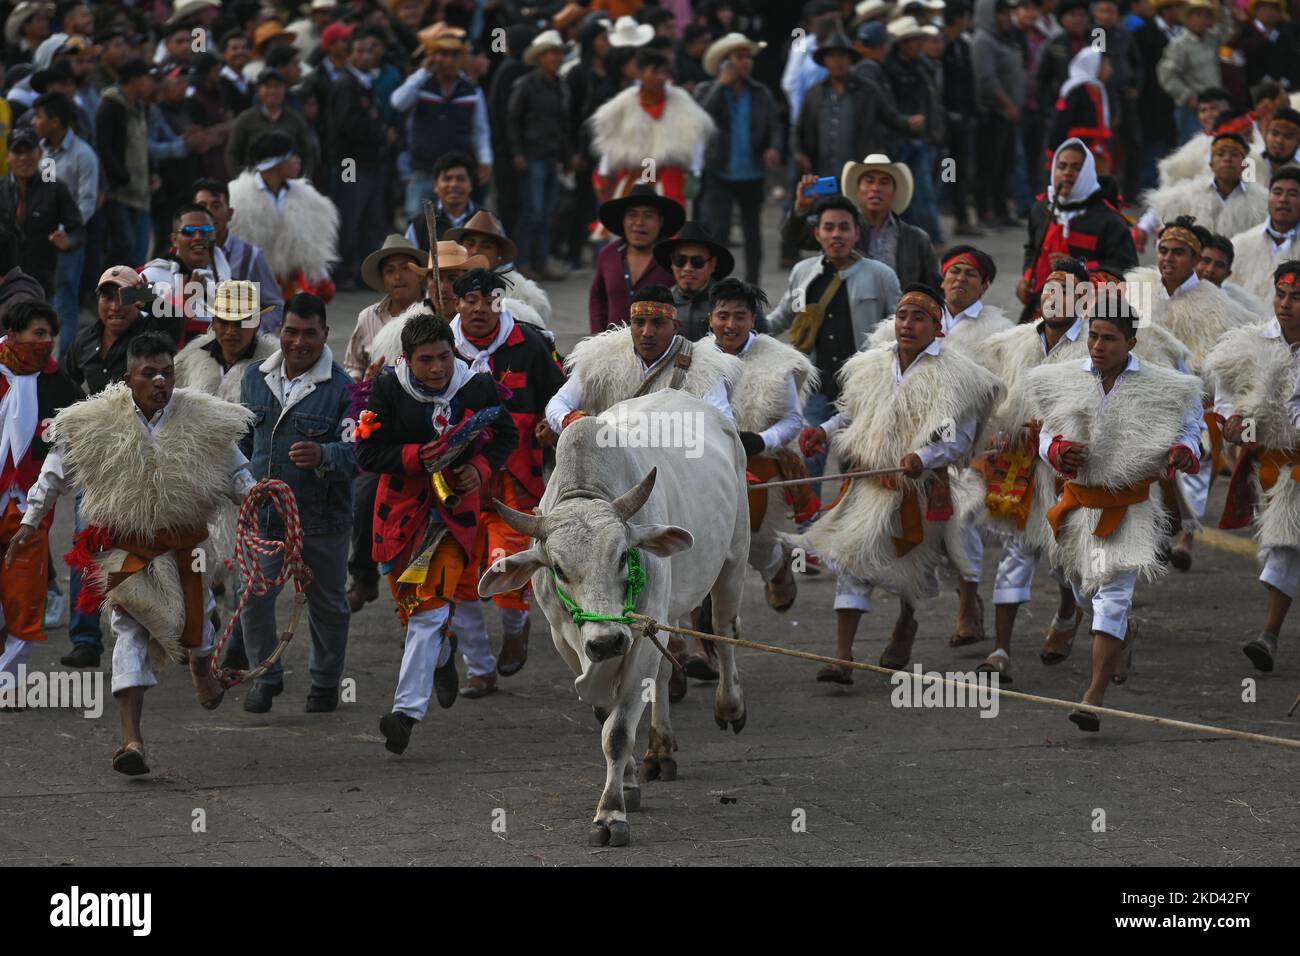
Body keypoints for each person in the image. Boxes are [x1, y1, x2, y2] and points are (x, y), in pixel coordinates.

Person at [15, 331, 256, 773]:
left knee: (198, 622)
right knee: (127, 631)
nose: (160, 381)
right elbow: (54, 469)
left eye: (167, 372)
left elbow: (235, 466)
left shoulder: (202, 416)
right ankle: (132, 742)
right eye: (150, 374)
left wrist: (257, 496)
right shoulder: (96, 419)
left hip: (186, 545)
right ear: (129, 379)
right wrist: (31, 520)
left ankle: (202, 669)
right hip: (129, 546)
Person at [798, 283, 1004, 680]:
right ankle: (843, 655)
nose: (908, 324)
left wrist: (922, 458)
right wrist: (823, 431)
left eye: (920, 318)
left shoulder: (955, 376)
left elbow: (955, 439)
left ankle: (906, 620)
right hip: (867, 485)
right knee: (852, 563)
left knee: (913, 568)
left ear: (938, 328)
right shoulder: (870, 364)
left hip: (919, 489)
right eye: (903, 316)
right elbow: (851, 413)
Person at [1026, 299, 1202, 732]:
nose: (1098, 345)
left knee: (1112, 599)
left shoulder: (1166, 386)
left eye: (1109, 338)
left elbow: (1191, 426)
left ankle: (1093, 697)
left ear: (1132, 342)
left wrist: (1185, 450)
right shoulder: (1062, 379)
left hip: (1131, 508)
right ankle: (1123, 633)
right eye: (1093, 336)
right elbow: (1046, 433)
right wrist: (1058, 452)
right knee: (1084, 592)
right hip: (1078, 505)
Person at [357, 312, 517, 754]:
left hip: (452, 517)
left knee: (427, 611)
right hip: (401, 513)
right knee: (411, 610)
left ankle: (405, 713)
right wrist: (415, 456)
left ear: (454, 351)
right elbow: (367, 451)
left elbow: (505, 436)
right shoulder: (388, 388)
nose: (437, 369)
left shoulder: (478, 386)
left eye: (445, 357)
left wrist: (480, 468)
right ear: (406, 359)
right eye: (426, 360)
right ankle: (444, 654)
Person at [447, 269, 566, 696]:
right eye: (470, 300)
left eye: (491, 300)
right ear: (455, 304)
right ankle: (478, 667)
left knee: (508, 568)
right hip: (456, 479)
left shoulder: (531, 344)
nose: (481, 309)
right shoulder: (437, 350)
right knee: (457, 576)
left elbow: (561, 396)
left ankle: (516, 628)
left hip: (516, 482)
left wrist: (551, 425)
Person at [237, 293, 355, 713]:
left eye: (309, 333)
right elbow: (240, 442)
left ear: (326, 334)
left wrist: (324, 455)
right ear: (279, 332)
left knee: (328, 605)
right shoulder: (254, 378)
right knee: (253, 596)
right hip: (265, 519)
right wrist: (242, 484)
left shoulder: (345, 389)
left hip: (323, 520)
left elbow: (358, 453)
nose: (299, 342)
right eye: (291, 331)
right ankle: (265, 676)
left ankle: (325, 684)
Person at [1124, 217, 1255, 569]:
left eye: (1178, 252)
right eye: (1163, 250)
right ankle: (1153, 536)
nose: (1168, 258)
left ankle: (1186, 535)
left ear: (1194, 258)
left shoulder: (1219, 307)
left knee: (1195, 467)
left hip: (1196, 405)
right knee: (1144, 475)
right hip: (1139, 402)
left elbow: (1235, 363)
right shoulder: (1133, 289)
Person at [767, 196, 902, 491]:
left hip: (861, 390)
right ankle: (807, 532)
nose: (836, 234)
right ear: (817, 234)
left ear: (857, 232)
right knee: (808, 460)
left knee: (856, 465)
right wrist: (746, 327)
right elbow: (784, 315)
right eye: (828, 227)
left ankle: (848, 534)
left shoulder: (881, 276)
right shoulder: (803, 272)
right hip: (814, 385)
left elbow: (898, 329)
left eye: (844, 227)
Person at [1210, 261, 1300, 672]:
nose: (1286, 304)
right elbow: (1227, 400)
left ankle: (1270, 634)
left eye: (1296, 297)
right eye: (1281, 295)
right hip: (1273, 468)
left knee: (1285, 547)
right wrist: (1234, 424)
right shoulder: (1247, 345)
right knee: (1280, 546)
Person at [707, 277, 814, 615]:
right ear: (710, 318)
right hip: (703, 465)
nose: (730, 324)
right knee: (707, 546)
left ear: (753, 320)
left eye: (740, 316)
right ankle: (703, 638)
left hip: (758, 466)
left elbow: (794, 420)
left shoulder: (778, 361)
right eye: (723, 316)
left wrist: (761, 441)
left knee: (754, 542)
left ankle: (778, 568)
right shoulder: (695, 357)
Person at [0, 301, 80, 695]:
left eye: (50, 335)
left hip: (30, 509)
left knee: (25, 596)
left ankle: (11, 684)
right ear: (12, 335)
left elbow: (86, 426)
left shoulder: (57, 382)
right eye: (37, 334)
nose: (46, 343)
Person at [695, 32, 782, 285]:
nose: (745, 61)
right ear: (725, 61)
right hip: (719, 170)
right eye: (739, 56)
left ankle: (753, 285)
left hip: (752, 171)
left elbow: (775, 126)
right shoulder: (707, 89)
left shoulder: (760, 92)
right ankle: (714, 285)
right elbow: (700, 120)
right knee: (717, 231)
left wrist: (774, 148)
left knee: (752, 232)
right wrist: (720, 85)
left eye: (747, 56)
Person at [589, 43, 715, 211]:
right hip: (635, 171)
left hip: (670, 172)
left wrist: (695, 171)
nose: (660, 78)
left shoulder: (681, 100)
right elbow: (611, 136)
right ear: (640, 74)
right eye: (654, 72)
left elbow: (695, 135)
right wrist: (604, 170)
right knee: (634, 217)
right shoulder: (623, 103)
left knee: (671, 221)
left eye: (664, 72)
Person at [785, 154, 941, 288]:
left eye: (884, 182)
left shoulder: (916, 239)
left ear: (894, 192)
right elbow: (794, 237)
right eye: (869, 181)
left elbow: (934, 288)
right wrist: (801, 207)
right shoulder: (838, 228)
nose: (875, 188)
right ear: (858, 190)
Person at [389, 27, 491, 222]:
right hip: (423, 169)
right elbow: (398, 102)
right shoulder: (422, 85)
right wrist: (423, 72)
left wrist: (485, 160)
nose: (449, 61)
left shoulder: (471, 90)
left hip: (456, 173)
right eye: (444, 55)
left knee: (453, 227)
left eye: (454, 55)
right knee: (419, 225)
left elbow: (480, 130)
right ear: (434, 57)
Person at [1018, 138, 1138, 302]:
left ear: (1088, 173)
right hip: (1044, 308)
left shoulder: (1109, 220)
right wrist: (1027, 278)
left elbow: (1127, 269)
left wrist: (1080, 267)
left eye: (1076, 168)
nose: (1067, 173)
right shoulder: (1041, 210)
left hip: (1092, 310)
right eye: (1062, 166)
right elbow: (1032, 250)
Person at [227, 131, 339, 302]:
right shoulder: (238, 198)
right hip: (249, 285)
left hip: (290, 286)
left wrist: (320, 277)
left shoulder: (307, 197)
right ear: (276, 162)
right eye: (292, 155)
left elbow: (312, 246)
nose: (298, 160)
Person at [31, 92, 96, 358]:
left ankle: (65, 365)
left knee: (65, 304)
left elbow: (87, 202)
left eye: (39, 116)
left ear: (55, 121)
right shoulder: (41, 152)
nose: (34, 122)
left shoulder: (83, 155)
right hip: (40, 240)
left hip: (68, 241)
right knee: (39, 301)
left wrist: (65, 231)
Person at [328, 28, 393, 290]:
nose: (365, 56)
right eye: (359, 51)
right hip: (351, 163)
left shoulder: (365, 83)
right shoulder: (347, 84)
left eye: (369, 50)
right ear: (350, 54)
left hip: (369, 162)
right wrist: (380, 133)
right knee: (351, 215)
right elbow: (347, 124)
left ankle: (364, 272)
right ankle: (343, 272)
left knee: (370, 218)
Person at [507, 30, 573, 283]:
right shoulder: (526, 84)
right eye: (551, 53)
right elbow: (512, 119)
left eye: (558, 53)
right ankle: (523, 262)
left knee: (547, 212)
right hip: (532, 154)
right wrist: (518, 152)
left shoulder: (559, 85)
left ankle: (541, 260)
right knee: (532, 211)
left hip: (551, 153)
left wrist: (567, 156)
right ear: (540, 57)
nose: (556, 57)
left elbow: (564, 124)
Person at [1136, 131, 1268, 252]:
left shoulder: (1261, 203)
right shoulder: (1184, 196)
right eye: (1220, 154)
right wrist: (1144, 227)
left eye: (1234, 155)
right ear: (1211, 163)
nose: (1227, 159)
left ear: (1245, 164)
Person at [0, 126, 83, 303]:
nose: (24, 157)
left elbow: (77, 229)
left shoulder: (54, 188)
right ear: (8, 156)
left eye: (29, 150)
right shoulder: (0, 190)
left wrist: (69, 242)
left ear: (39, 153)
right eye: (17, 151)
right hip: (3, 281)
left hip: (41, 282)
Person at [589, 184, 682, 334]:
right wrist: (598, 336)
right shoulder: (608, 255)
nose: (639, 222)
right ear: (623, 220)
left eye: (648, 215)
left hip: (658, 350)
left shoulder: (674, 260)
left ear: (661, 221)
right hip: (612, 349)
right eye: (632, 215)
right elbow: (597, 298)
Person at [193, 177, 283, 331]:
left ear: (229, 213)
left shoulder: (250, 256)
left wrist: (249, 331)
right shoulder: (183, 253)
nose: (209, 213)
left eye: (216, 206)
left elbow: (275, 306)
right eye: (202, 206)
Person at [140, 204, 232, 343]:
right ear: (174, 240)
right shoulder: (151, 277)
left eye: (206, 230)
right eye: (188, 231)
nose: (198, 237)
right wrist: (183, 302)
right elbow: (141, 331)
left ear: (214, 236)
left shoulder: (228, 280)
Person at [444, 209, 551, 328]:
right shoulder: (446, 281)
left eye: (486, 246)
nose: (475, 251)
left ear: (498, 253)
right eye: (470, 244)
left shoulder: (517, 290)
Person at [95, 59, 155, 269]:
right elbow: (104, 147)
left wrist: (151, 172)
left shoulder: (138, 105)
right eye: (148, 78)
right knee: (124, 244)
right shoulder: (111, 106)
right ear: (135, 80)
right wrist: (122, 176)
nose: (151, 84)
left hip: (139, 190)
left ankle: (130, 298)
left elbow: (141, 144)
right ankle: (107, 288)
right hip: (117, 190)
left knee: (139, 248)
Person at [1156, 0, 1240, 147]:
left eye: (1206, 16)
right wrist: (1188, 97)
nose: (1202, 20)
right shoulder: (1179, 44)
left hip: (1215, 103)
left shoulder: (1211, 38)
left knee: (1216, 145)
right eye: (1197, 15)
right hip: (1192, 108)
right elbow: (1166, 75)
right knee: (1191, 149)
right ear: (1188, 18)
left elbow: (1228, 31)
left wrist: (1222, 8)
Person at [971, 0, 1025, 229]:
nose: (1006, 17)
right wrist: (1008, 105)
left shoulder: (1006, 39)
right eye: (1000, 12)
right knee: (987, 166)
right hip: (991, 115)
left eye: (1007, 12)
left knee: (1005, 165)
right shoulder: (983, 40)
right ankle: (984, 212)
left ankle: (1002, 210)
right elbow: (986, 80)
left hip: (1007, 116)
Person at [653, 220, 738, 341]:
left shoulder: (735, 303)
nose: (688, 268)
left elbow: (761, 348)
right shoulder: (660, 305)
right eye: (680, 261)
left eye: (697, 262)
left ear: (712, 265)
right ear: (672, 262)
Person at [224, 68, 317, 177]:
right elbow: (232, 153)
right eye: (267, 86)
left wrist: (304, 179)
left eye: (277, 86)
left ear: (284, 89)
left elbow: (308, 153)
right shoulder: (246, 119)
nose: (272, 91)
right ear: (258, 90)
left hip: (289, 183)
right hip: (255, 183)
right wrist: (241, 179)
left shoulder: (296, 119)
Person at [1134, 0, 1187, 190]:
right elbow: (1138, 65)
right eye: (1179, 7)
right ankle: (1148, 190)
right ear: (1167, 10)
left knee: (1177, 146)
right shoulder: (1143, 32)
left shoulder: (1185, 32)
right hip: (1151, 99)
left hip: (1181, 99)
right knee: (1154, 146)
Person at [1229, 165, 1300, 303]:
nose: (1283, 200)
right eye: (1277, 192)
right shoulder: (1240, 244)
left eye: (1292, 194)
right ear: (1268, 197)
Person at [1047, 48, 1113, 172]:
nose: (1110, 70)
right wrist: (1054, 151)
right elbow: (1061, 122)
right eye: (1106, 64)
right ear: (1093, 65)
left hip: (1098, 151)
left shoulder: (1099, 90)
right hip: (1078, 151)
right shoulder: (1075, 90)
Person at [403, 151, 480, 251]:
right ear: (435, 185)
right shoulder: (419, 225)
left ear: (471, 185)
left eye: (461, 179)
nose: (453, 184)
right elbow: (408, 261)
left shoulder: (488, 221)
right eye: (447, 179)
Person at [1196, 231, 1269, 316]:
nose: (1210, 269)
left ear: (1228, 273)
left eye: (1219, 265)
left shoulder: (1240, 312)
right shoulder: (1178, 297)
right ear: (1194, 262)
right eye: (1206, 261)